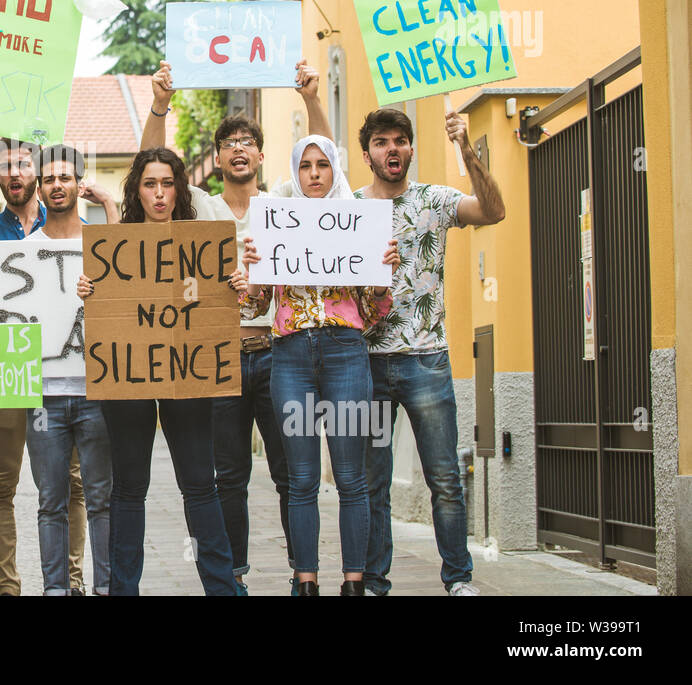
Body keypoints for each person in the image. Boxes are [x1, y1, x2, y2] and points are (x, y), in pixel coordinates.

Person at [140, 59, 331, 593]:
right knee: (229, 476)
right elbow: (150, 164)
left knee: (292, 473)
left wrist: (312, 98)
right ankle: (236, 576)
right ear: (219, 157)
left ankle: (302, 574)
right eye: (230, 143)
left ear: (261, 155)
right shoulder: (200, 206)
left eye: (248, 141)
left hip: (282, 354)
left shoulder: (284, 203)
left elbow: (326, 161)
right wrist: (160, 104)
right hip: (220, 356)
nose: (239, 148)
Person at [356, 107, 505, 597]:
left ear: (411, 149)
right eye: (381, 141)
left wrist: (466, 148)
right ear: (367, 154)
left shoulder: (435, 200)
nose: (392, 148)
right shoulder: (349, 210)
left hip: (427, 361)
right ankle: (374, 582)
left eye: (400, 140)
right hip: (367, 365)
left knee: (444, 478)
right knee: (372, 482)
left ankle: (458, 579)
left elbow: (493, 211)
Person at [77, 146, 237, 596]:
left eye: (168, 183)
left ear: (180, 189)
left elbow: (201, 305)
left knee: (200, 485)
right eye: (150, 184)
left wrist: (232, 286)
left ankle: (222, 588)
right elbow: (111, 311)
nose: (160, 193)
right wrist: (89, 289)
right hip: (129, 376)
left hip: (187, 374)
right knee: (129, 488)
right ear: (137, 191)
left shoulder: (201, 244)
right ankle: (123, 589)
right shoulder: (117, 247)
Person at [243, 135, 399, 596]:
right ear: (296, 172)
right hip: (290, 356)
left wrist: (380, 278)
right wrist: (253, 275)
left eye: (323, 165)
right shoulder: (276, 224)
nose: (314, 174)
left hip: (345, 353)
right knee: (302, 478)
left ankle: (354, 582)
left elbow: (373, 311)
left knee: (352, 476)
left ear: (335, 170)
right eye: (306, 165)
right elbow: (255, 306)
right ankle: (306, 581)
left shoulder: (358, 222)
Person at [0, 136, 91, 596]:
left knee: (72, 484)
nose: (14, 174)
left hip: (64, 375)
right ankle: (7, 586)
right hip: (8, 369)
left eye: (23, 165)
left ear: (40, 171)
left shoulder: (71, 224)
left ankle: (71, 580)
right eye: (5, 166)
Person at [0, 145, 115, 596]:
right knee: (50, 500)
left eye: (65, 178)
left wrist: (110, 204)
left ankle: (100, 585)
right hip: (43, 395)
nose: (57, 185)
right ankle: (55, 588)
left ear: (78, 183)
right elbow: (1, 311)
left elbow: (127, 288)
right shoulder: (22, 252)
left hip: (94, 390)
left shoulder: (101, 243)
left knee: (99, 497)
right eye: (50, 178)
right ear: (41, 186)